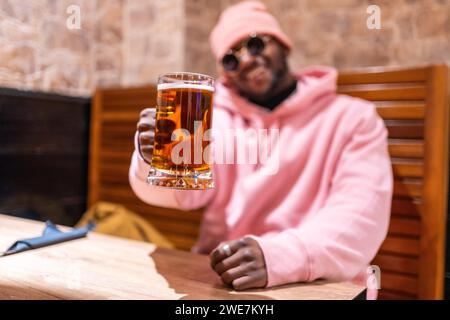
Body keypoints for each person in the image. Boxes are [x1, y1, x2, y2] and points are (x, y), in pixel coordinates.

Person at [129, 1, 393, 291]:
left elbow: (362, 215)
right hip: (223, 278)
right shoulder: (215, 120)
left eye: (254, 44)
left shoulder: (352, 118)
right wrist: (153, 158)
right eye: (231, 60)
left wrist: (282, 256)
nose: (245, 61)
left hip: (322, 281)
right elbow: (181, 196)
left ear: (283, 45)